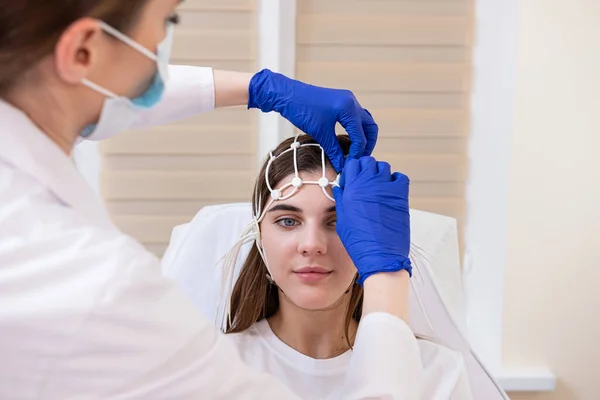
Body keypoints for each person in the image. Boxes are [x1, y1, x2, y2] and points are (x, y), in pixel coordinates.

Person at [0, 1, 418, 398]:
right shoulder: (84, 278)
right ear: (84, 51)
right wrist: (385, 273)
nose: (312, 243)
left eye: (333, 220)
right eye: (168, 21)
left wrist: (259, 88)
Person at [216, 134, 473, 399]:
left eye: (337, 222)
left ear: (371, 238)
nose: (312, 244)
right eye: (288, 221)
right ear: (259, 236)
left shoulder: (438, 373)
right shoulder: (216, 370)